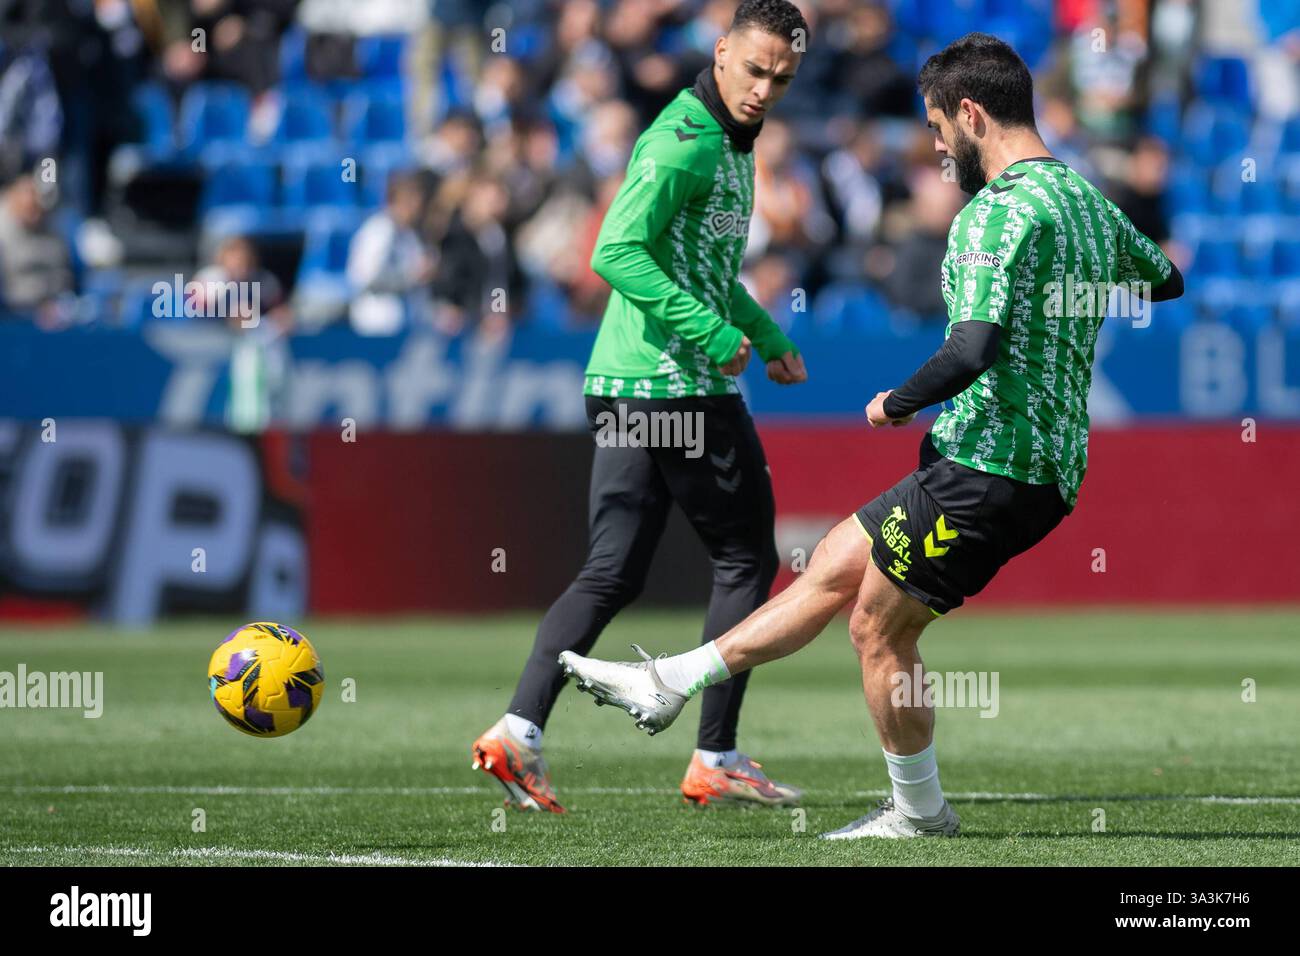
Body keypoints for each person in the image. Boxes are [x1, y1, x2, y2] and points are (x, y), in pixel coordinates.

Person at [559, 32, 1184, 838]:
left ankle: (919, 812)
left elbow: (972, 348)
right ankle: (672, 681)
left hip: (991, 464)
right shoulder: (1086, 202)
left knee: (876, 630)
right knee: (828, 568)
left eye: (934, 127)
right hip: (1031, 462)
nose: (930, 145)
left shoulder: (995, 214)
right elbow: (1165, 280)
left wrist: (898, 403)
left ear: (971, 114)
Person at [470, 0, 811, 813]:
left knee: (612, 570)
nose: (765, 88)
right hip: (675, 385)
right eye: (754, 68)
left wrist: (762, 333)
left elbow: (700, 265)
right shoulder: (683, 141)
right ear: (721, 51)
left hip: (626, 385)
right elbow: (613, 250)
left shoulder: (725, 140)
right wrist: (710, 331)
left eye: (782, 78)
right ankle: (716, 754)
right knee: (743, 560)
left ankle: (516, 734)